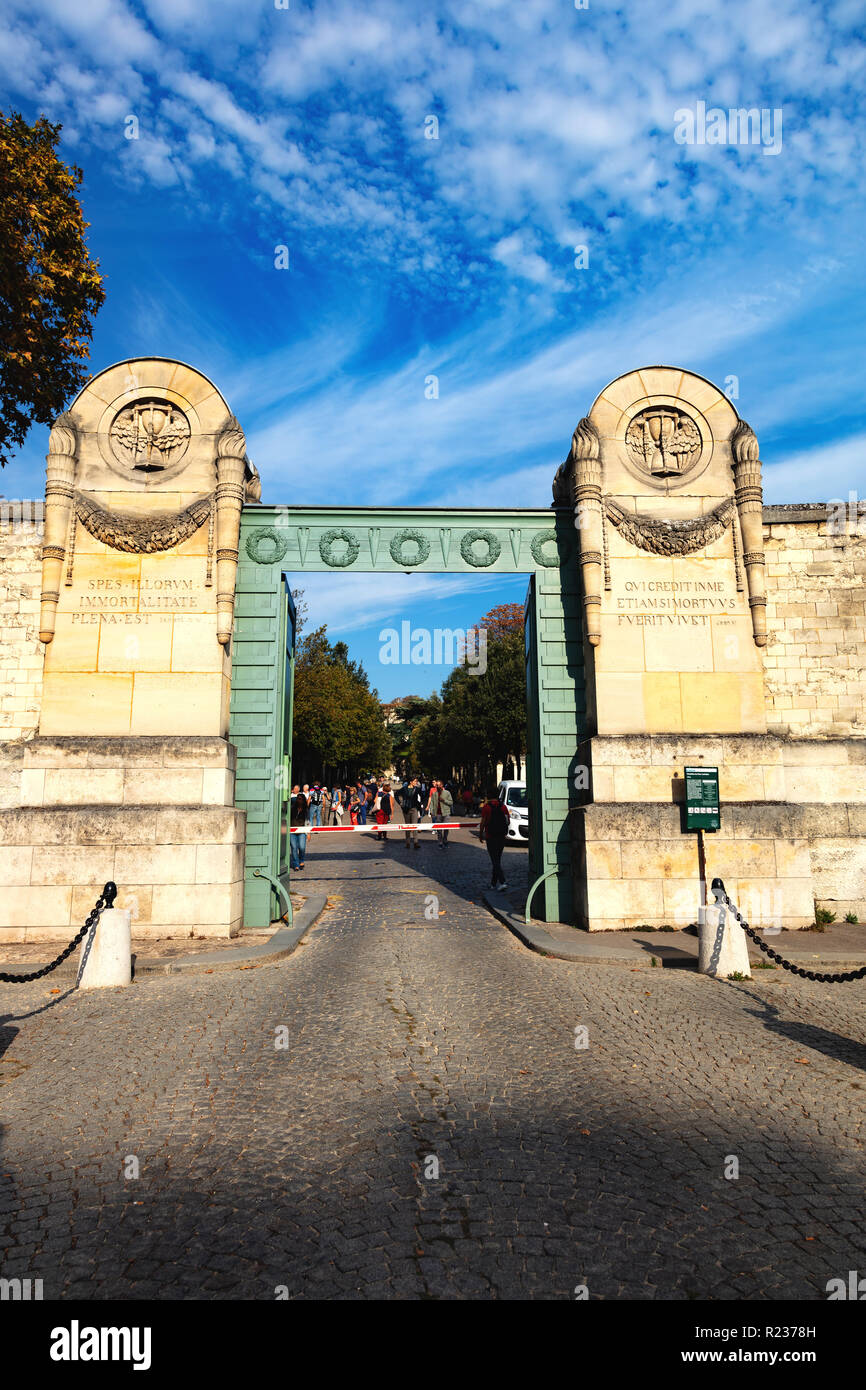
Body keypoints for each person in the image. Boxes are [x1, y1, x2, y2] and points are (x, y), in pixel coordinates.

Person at [480, 789, 510, 889]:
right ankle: (493, 884)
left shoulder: (486, 807)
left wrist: (481, 834)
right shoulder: (503, 807)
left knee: (494, 860)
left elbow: (483, 822)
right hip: (501, 836)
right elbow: (508, 821)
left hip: (490, 836)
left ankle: (502, 881)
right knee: (497, 859)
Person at [398, 776, 424, 849]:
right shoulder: (404, 789)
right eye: (415, 781)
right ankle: (408, 843)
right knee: (407, 826)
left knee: (415, 826)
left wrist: (419, 803)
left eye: (416, 781)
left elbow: (423, 796)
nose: (416, 783)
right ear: (411, 782)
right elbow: (396, 794)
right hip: (406, 809)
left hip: (414, 809)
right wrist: (400, 803)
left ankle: (416, 842)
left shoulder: (417, 789)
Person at [427, 779, 453, 847]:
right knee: (439, 829)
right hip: (438, 814)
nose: (437, 786)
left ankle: (445, 839)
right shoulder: (434, 794)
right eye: (436, 785)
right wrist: (432, 812)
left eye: (438, 785)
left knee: (446, 828)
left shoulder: (447, 793)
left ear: (442, 785)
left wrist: (444, 800)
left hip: (446, 813)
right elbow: (432, 803)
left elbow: (451, 802)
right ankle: (440, 841)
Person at [289, 783, 308, 871]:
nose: (299, 800)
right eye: (298, 799)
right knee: (293, 848)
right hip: (292, 831)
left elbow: (308, 821)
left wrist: (308, 832)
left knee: (302, 847)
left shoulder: (305, 810)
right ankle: (296, 864)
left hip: (302, 831)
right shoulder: (292, 808)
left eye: (301, 799)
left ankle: (301, 860)